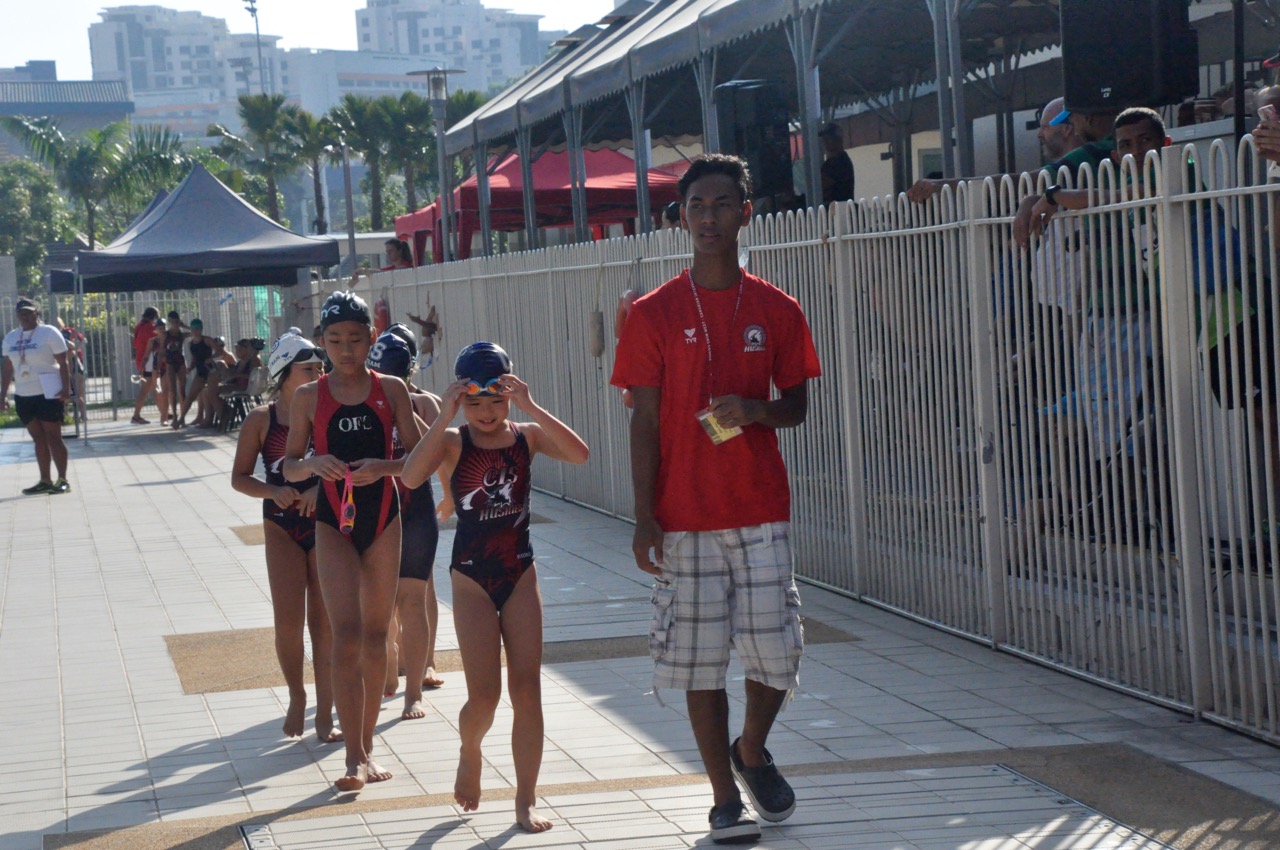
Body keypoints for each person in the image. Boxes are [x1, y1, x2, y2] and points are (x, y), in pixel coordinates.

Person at [611, 154, 822, 845]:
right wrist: (644, 515)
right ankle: (723, 798)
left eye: (722, 205)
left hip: (760, 507)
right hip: (683, 515)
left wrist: (756, 412)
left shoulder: (777, 307)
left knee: (778, 651)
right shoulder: (651, 314)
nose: (709, 218)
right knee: (699, 661)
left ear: (746, 212)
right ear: (681, 218)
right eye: (697, 206)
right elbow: (643, 420)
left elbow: (797, 406)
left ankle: (751, 750)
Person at [400, 341, 588, 834]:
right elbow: (410, 475)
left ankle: (525, 800)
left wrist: (532, 406)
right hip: (471, 581)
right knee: (484, 696)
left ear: (509, 395)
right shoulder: (454, 442)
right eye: (475, 402)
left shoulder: (526, 437)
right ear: (463, 400)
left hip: (520, 575)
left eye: (496, 401)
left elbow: (580, 454)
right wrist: (442, 416)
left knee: (528, 691)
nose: (486, 413)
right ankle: (470, 749)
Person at [283, 291, 421, 793]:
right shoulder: (307, 397)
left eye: (356, 339)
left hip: (383, 518)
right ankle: (354, 756)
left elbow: (416, 459)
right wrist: (314, 465)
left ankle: (369, 743)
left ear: (371, 340)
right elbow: (289, 463)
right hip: (330, 522)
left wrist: (382, 468)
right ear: (322, 342)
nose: (346, 349)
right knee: (344, 634)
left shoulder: (391, 390)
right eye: (336, 340)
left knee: (375, 635)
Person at [230, 331, 340, 743]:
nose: (319, 374)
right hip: (282, 525)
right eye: (308, 369)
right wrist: (273, 490)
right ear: (284, 374)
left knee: (325, 623)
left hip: (325, 522)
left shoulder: (330, 410)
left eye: (320, 367)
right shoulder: (263, 420)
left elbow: (347, 465)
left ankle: (326, 711)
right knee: (288, 622)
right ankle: (297, 694)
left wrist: (319, 489)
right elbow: (239, 478)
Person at [366, 325, 447, 719]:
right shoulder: (360, 405)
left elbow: (439, 455)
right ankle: (395, 656)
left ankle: (416, 683)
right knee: (383, 601)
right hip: (377, 509)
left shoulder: (425, 405)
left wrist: (449, 497)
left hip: (414, 507)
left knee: (415, 595)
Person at [2, 298, 73, 495]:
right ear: (17, 315)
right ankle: (45, 480)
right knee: (38, 437)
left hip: (48, 392)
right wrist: (3, 396)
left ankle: (62, 479)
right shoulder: (10, 338)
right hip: (24, 394)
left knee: (53, 436)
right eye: (21, 313)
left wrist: (66, 389)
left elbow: (63, 362)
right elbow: (7, 368)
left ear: (37, 313)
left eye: (28, 312)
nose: (25, 316)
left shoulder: (49, 332)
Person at [177, 318, 214, 427]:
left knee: (209, 395)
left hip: (211, 371)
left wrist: (211, 358)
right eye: (194, 329)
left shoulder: (207, 340)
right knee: (191, 396)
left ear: (201, 329)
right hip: (200, 372)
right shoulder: (191, 344)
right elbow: (194, 359)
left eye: (198, 329)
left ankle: (209, 419)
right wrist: (190, 368)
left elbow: (220, 352)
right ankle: (181, 418)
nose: (196, 331)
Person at [131, 307, 164, 425]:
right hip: (148, 362)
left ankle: (163, 412)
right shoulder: (149, 328)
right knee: (147, 389)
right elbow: (159, 340)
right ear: (154, 317)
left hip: (142, 360)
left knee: (153, 387)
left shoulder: (139, 327)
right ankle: (136, 415)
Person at [161, 311, 189, 428]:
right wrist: (160, 364)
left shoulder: (182, 335)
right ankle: (175, 417)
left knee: (182, 390)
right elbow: (161, 350)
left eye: (176, 322)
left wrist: (184, 326)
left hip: (180, 362)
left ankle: (183, 417)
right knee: (172, 390)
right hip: (170, 363)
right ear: (169, 322)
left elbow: (195, 331)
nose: (174, 324)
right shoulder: (165, 334)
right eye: (172, 322)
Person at [817, 122, 855, 205]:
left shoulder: (839, 163)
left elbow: (820, 187)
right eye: (824, 139)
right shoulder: (840, 161)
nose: (825, 142)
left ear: (838, 139)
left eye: (829, 139)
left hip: (836, 210)